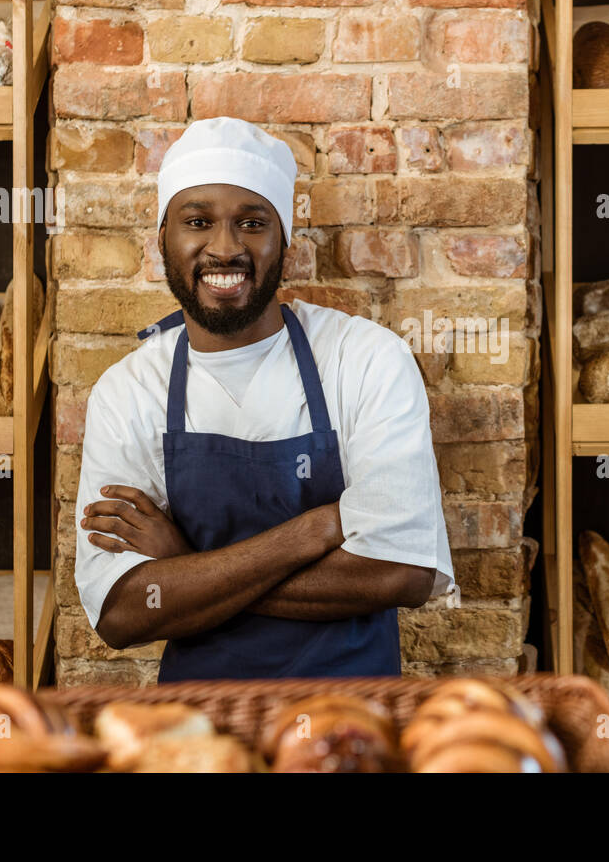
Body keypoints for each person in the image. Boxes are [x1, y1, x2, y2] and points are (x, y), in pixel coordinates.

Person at [73, 117, 454, 680]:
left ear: (284, 242)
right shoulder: (129, 392)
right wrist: (319, 528)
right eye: (197, 221)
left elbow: (403, 573)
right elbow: (123, 611)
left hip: (353, 732)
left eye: (252, 223)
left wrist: (185, 568)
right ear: (162, 240)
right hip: (197, 738)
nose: (225, 248)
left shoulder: (367, 360)